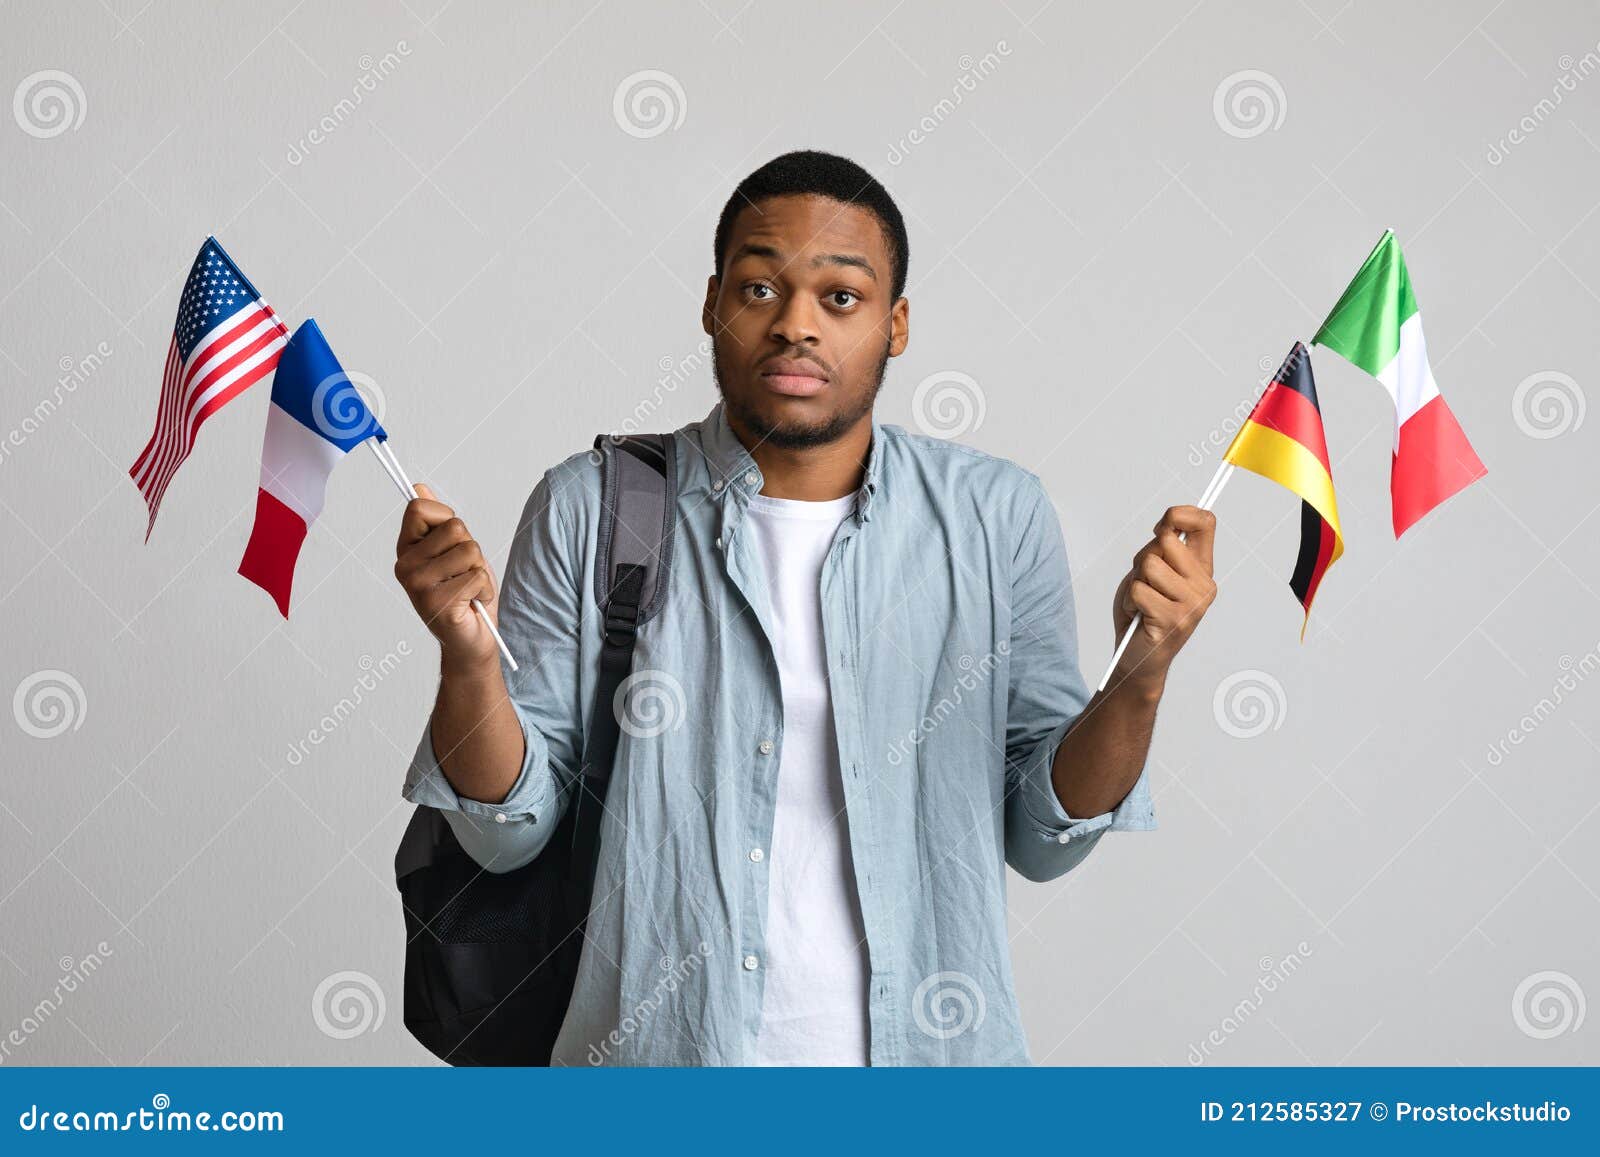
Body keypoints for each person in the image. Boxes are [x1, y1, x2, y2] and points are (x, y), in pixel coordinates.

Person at [393, 150, 1217, 1065]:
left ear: (896, 325)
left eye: (840, 297)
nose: (794, 325)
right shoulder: (594, 505)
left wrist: (1142, 677)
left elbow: (1044, 838)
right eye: (759, 288)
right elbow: (506, 837)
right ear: (713, 305)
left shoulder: (994, 515)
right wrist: (467, 659)